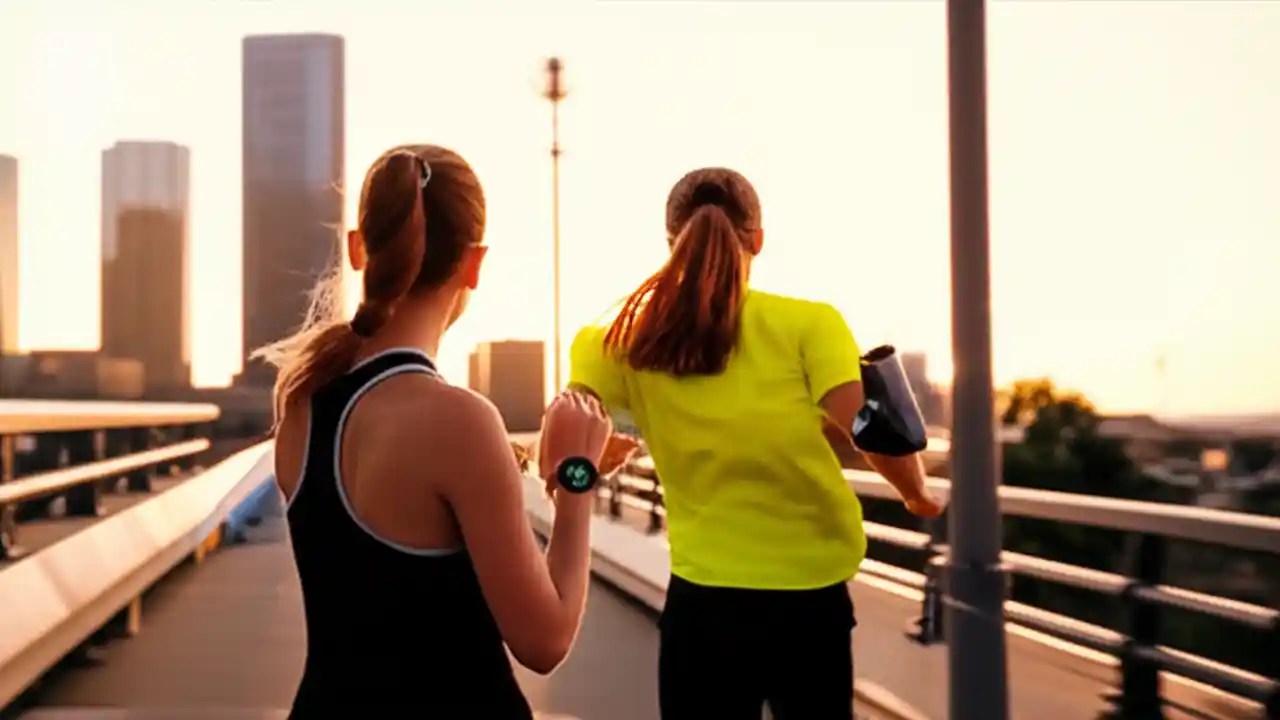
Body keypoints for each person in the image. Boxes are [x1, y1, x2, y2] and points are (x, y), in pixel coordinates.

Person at [566, 167, 945, 720]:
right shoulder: (809, 324)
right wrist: (916, 495)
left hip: (703, 602)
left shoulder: (617, 341)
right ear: (758, 240)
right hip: (811, 602)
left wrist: (593, 465)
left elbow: (572, 449)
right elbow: (871, 433)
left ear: (672, 242)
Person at [255, 144, 616, 718]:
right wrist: (576, 480)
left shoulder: (301, 398)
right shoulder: (459, 421)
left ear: (357, 248)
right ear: (475, 263)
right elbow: (544, 641)